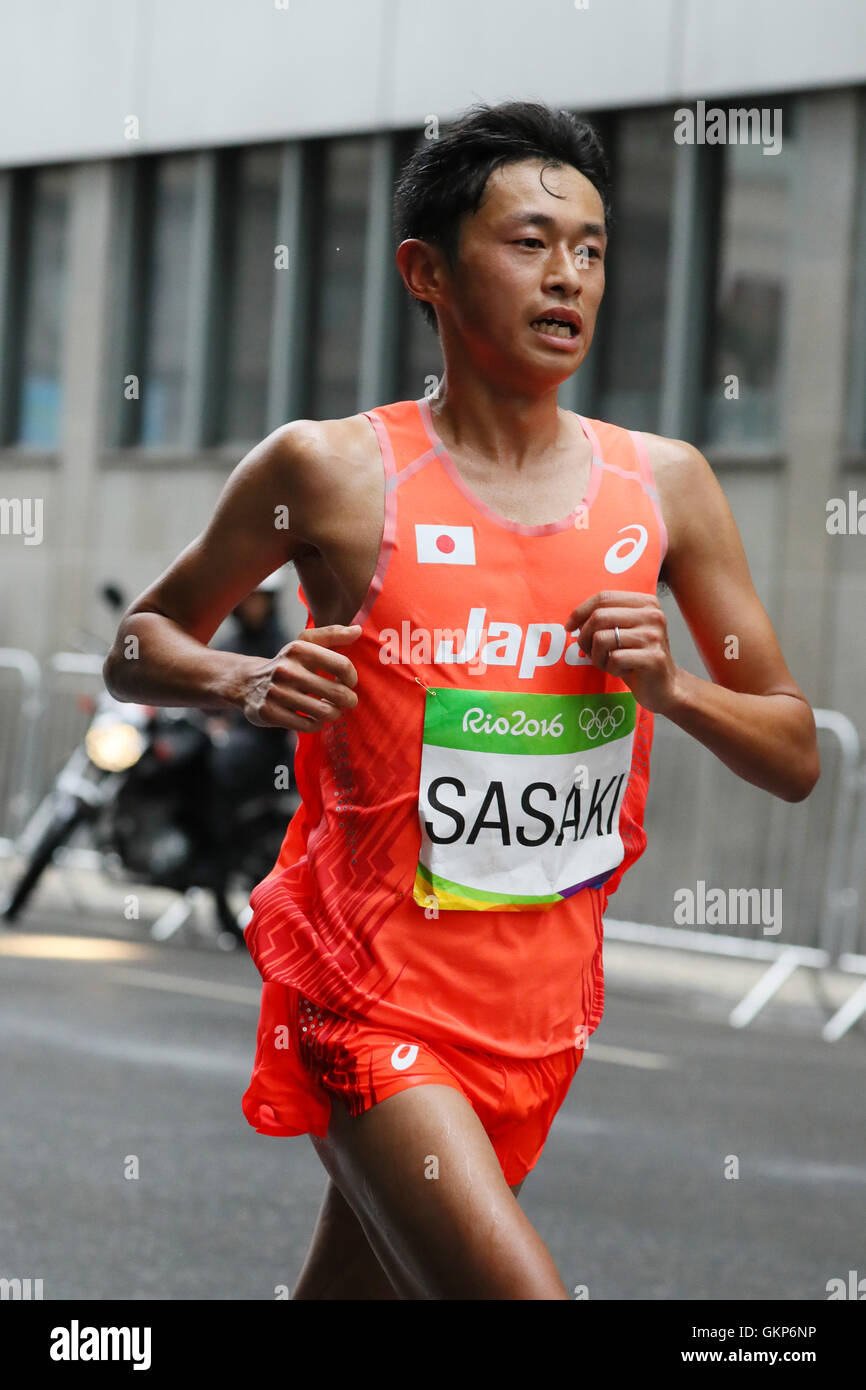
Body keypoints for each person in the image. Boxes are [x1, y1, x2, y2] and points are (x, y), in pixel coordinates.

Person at [103, 100, 820, 1300]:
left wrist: (673, 688)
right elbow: (142, 642)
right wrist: (245, 678)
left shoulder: (667, 488)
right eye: (530, 242)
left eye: (591, 248)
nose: (569, 276)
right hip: (364, 992)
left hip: (542, 1014)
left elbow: (793, 749)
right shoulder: (328, 473)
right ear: (423, 271)